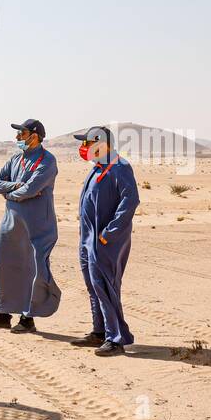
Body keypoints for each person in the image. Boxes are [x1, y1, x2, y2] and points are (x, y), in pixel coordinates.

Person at [0, 118, 61, 333]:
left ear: (34, 136)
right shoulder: (15, 160)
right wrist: (13, 187)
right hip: (11, 225)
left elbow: (30, 190)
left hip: (37, 227)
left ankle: (28, 318)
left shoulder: (47, 161)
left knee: (34, 269)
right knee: (2, 265)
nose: (17, 138)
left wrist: (10, 194)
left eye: (21, 134)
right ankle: (3, 313)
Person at [69, 126, 140, 356]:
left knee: (106, 287)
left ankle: (116, 339)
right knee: (93, 286)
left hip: (106, 242)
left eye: (87, 143)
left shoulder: (120, 168)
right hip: (88, 240)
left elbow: (130, 202)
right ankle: (99, 331)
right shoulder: (98, 168)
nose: (84, 148)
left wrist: (108, 233)